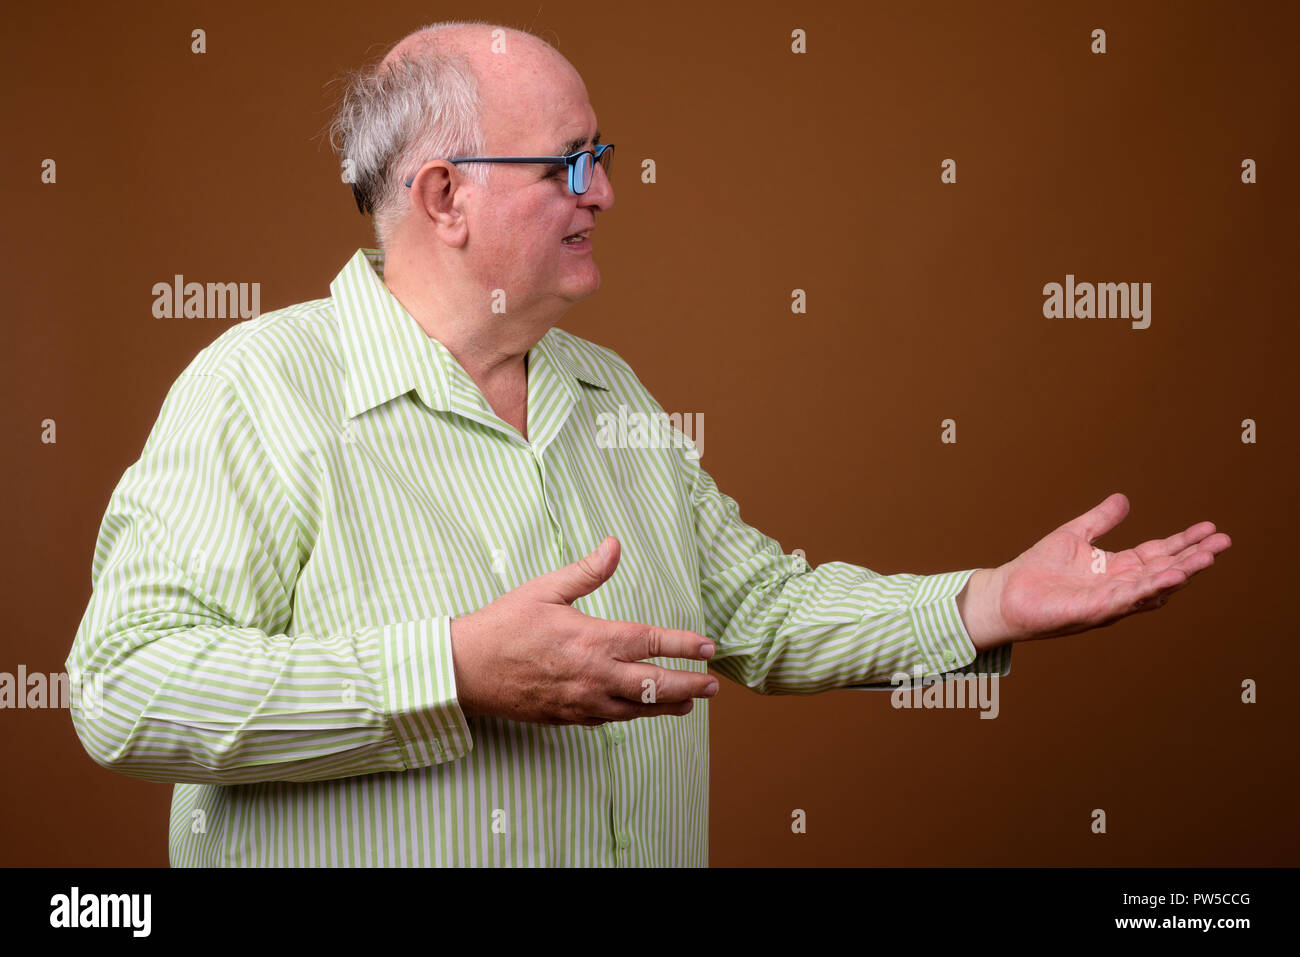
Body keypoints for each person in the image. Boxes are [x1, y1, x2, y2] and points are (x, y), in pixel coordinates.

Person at [66, 19, 1231, 866]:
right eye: (571, 161)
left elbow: (755, 613)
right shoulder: (255, 387)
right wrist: (453, 671)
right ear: (441, 197)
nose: (607, 190)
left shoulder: (606, 387)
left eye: (603, 153)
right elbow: (122, 688)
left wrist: (988, 602)